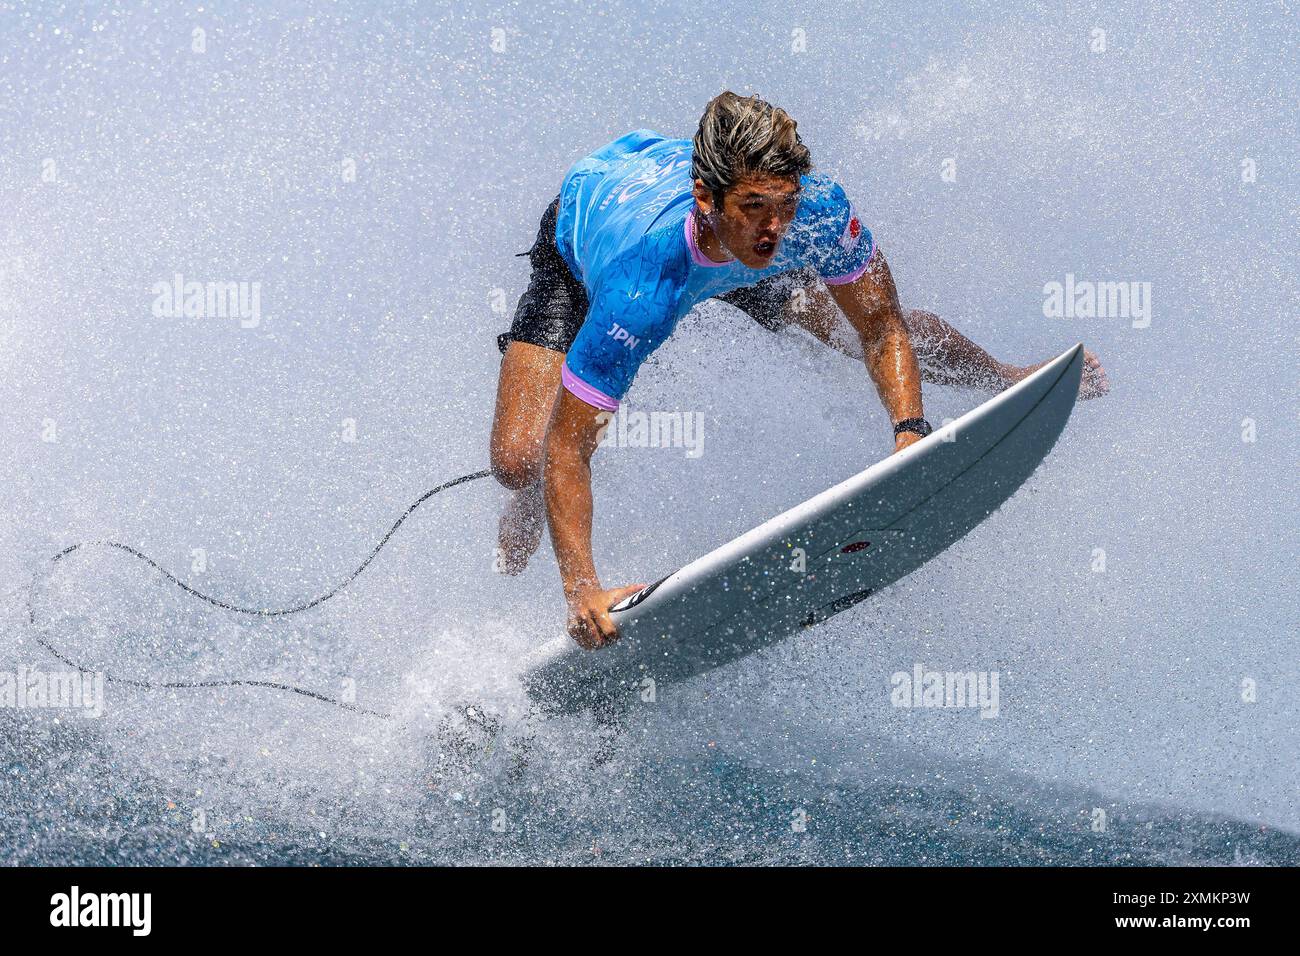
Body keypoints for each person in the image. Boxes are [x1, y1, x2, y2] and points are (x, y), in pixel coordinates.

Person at [489, 92, 1107, 650]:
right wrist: (583, 591)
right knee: (524, 458)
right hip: (590, 231)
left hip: (713, 236)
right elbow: (572, 445)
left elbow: (881, 327)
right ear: (707, 198)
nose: (776, 227)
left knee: (843, 326)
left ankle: (1003, 373)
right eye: (759, 207)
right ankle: (532, 493)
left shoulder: (802, 218)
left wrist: (911, 429)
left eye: (785, 204)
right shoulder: (640, 284)